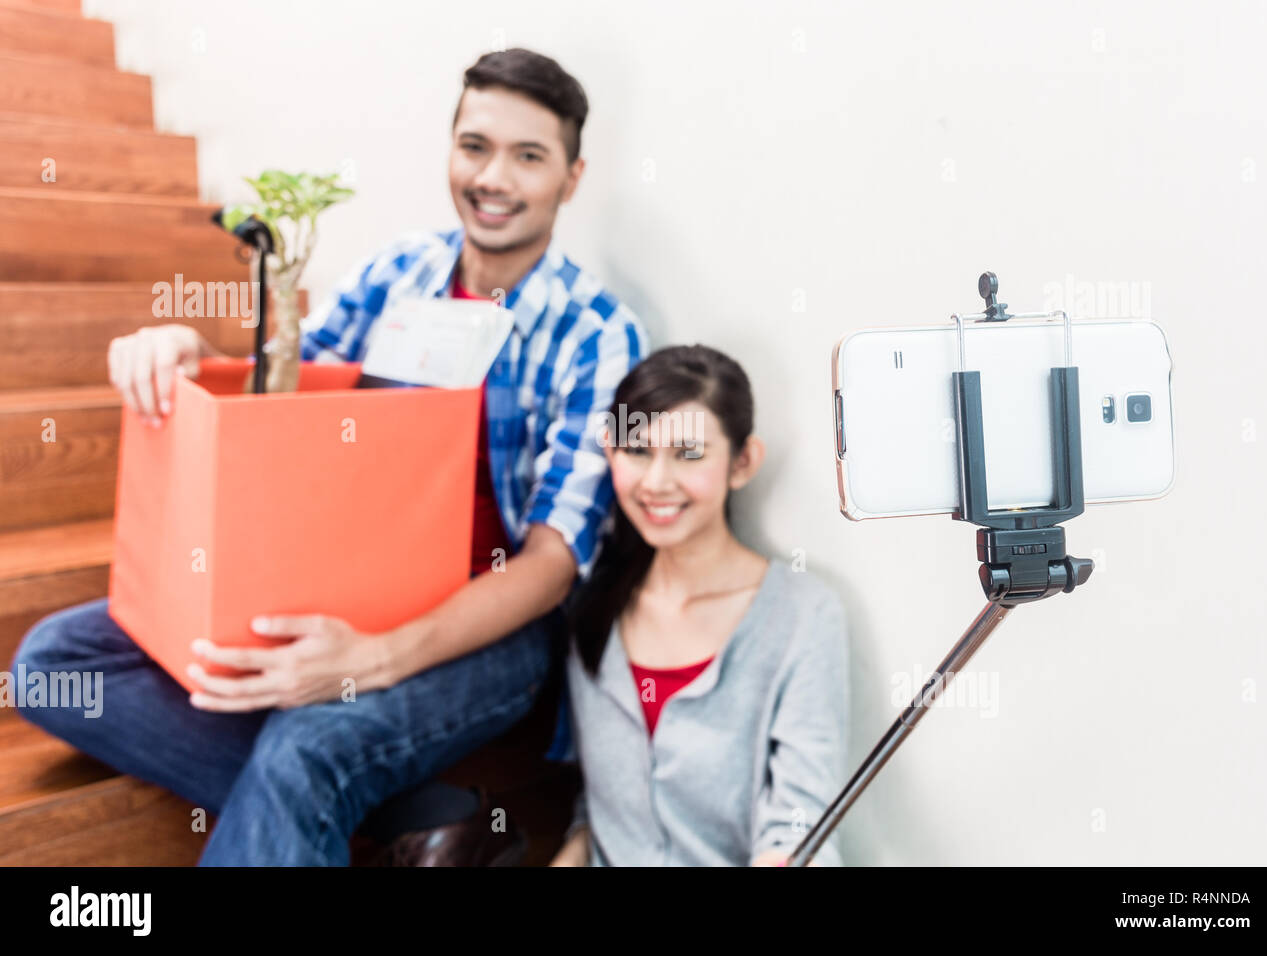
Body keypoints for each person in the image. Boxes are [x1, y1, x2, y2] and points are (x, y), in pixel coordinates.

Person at [13, 48, 647, 866]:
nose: (495, 177)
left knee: (305, 744)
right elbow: (285, 399)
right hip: (344, 581)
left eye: (529, 157)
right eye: (476, 147)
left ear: (572, 176)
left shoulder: (598, 333)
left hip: (492, 632)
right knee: (53, 664)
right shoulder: (401, 271)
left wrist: (372, 659)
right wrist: (187, 346)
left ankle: (331, 796)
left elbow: (554, 565)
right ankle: (407, 819)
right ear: (450, 149)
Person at [549, 345, 850, 867]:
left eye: (688, 453)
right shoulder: (593, 606)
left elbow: (798, 825)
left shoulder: (803, 615)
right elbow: (600, 811)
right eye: (636, 450)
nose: (657, 481)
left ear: (743, 462)